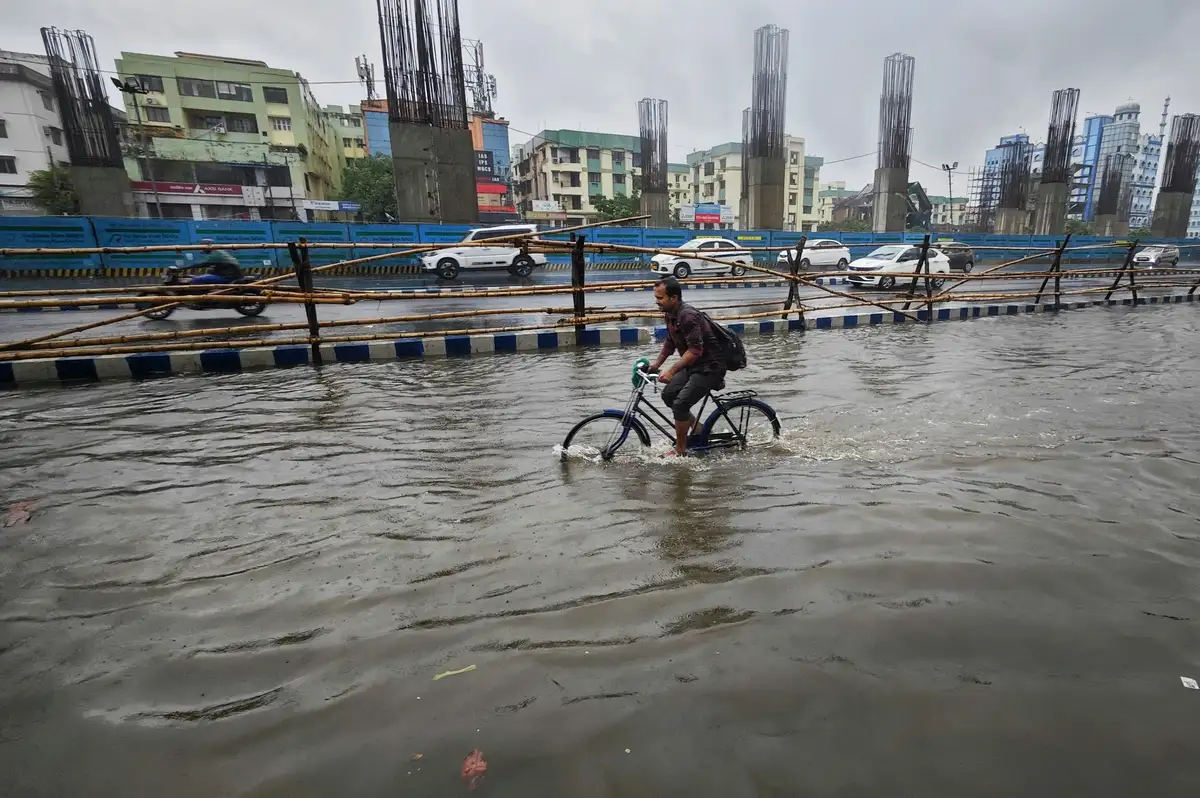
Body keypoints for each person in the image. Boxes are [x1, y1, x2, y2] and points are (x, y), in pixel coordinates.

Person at [648, 276, 727, 456]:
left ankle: (680, 451)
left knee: (681, 403)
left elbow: (695, 351)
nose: (657, 302)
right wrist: (656, 365)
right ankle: (697, 428)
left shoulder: (688, 316)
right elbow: (670, 342)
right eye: (656, 298)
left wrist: (672, 370)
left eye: (660, 298)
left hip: (710, 367)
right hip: (694, 366)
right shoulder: (670, 315)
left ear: (673, 298)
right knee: (668, 395)